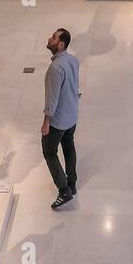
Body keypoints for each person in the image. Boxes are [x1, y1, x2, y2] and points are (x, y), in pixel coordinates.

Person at [41, 27, 80, 210]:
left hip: (58, 120)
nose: (50, 39)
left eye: (54, 37)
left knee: (49, 151)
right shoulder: (73, 61)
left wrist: (46, 122)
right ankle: (72, 183)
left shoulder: (55, 68)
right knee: (69, 146)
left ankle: (64, 190)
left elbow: (52, 98)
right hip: (72, 115)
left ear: (61, 44)